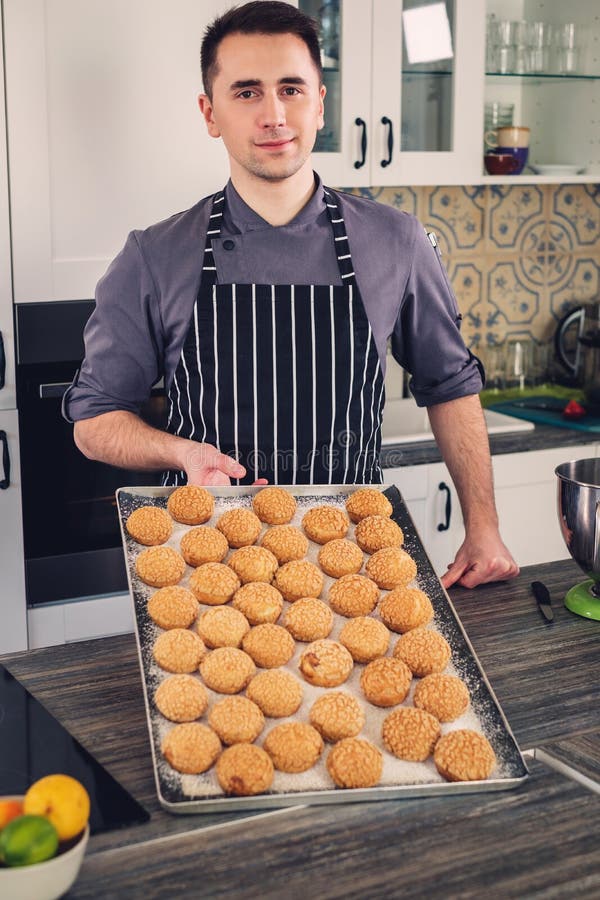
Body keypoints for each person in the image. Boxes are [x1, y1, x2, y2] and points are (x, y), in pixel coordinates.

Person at [64, 0, 518, 590]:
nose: (274, 115)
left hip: (356, 559)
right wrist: (183, 454)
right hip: (208, 570)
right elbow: (93, 420)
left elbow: (451, 385)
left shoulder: (395, 241)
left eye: (292, 89)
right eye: (247, 92)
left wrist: (484, 524)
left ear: (320, 104)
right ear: (210, 112)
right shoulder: (154, 255)